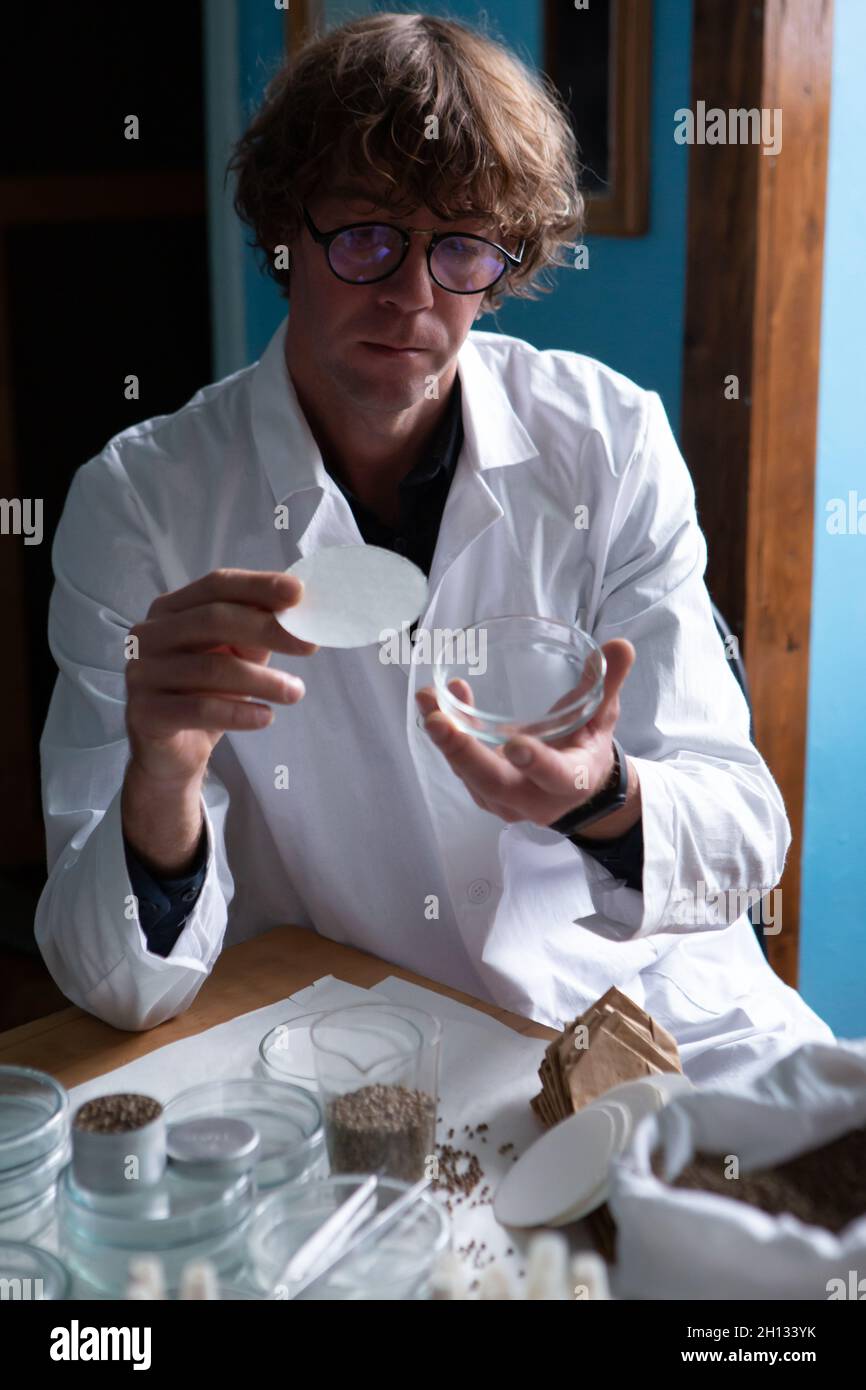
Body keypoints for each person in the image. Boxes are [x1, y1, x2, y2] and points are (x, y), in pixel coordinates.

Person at [35, 13, 833, 1087]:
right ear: (287, 231)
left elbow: (742, 835)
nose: (411, 294)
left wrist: (598, 798)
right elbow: (112, 983)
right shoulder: (140, 503)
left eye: (458, 246)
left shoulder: (607, 440)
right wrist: (163, 779)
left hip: (653, 1018)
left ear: (501, 264)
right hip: (374, 1055)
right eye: (366, 235)